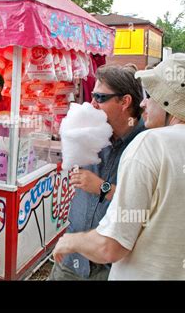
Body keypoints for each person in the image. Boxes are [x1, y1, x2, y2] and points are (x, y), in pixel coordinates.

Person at [53, 53, 185, 280]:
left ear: (170, 100)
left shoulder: (151, 143)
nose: (144, 102)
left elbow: (110, 246)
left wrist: (70, 241)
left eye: (152, 95)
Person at [49, 65, 145, 280]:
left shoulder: (147, 143)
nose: (91, 103)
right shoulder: (91, 130)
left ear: (125, 102)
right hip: (74, 251)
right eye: (92, 96)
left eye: (100, 97)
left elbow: (148, 209)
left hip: (111, 265)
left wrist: (102, 188)